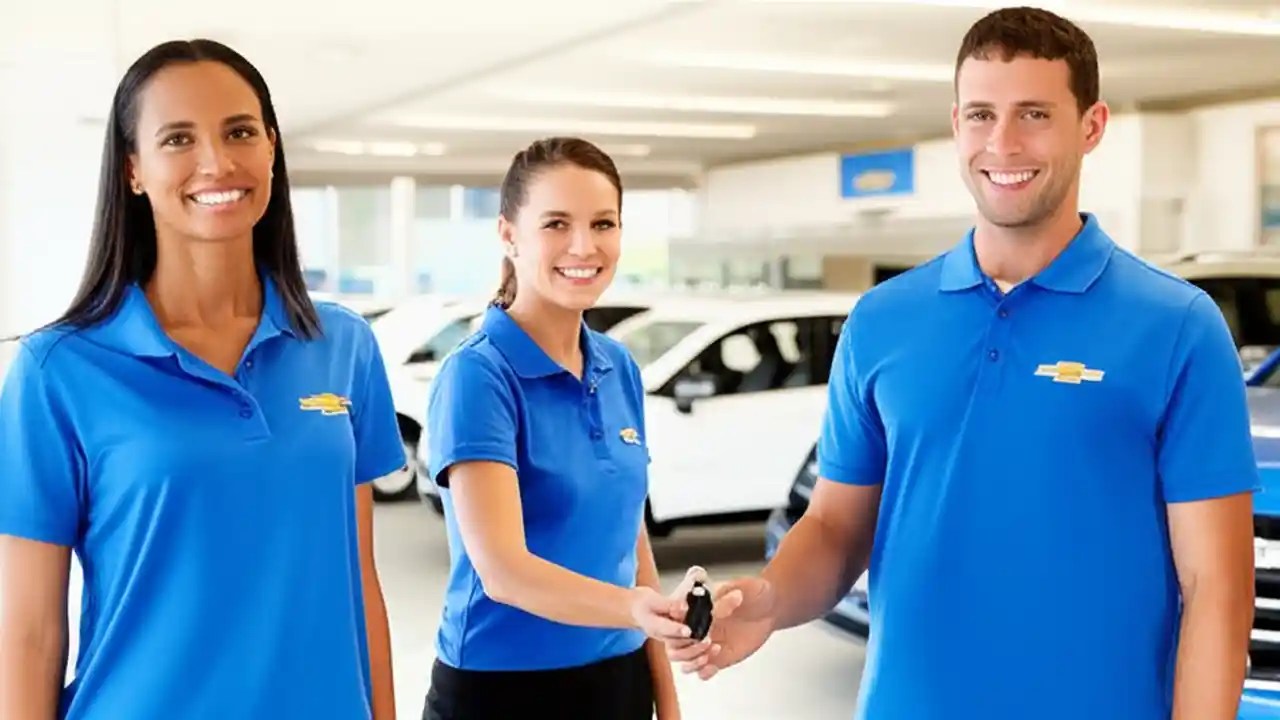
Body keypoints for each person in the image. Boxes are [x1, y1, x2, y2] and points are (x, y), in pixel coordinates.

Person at [668, 7, 1257, 720]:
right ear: (955, 126)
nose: (1002, 143)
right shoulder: (882, 320)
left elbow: (1217, 587)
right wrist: (769, 598)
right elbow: (834, 527)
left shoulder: (1177, 328)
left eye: (1034, 113)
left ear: (1091, 125)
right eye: (980, 115)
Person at [0, 39, 403, 720]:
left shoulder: (345, 348)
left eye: (240, 131)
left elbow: (358, 582)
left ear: (272, 147)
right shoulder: (58, 370)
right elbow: (31, 633)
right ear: (134, 170)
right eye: (178, 139)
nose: (217, 162)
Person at [421, 137, 721, 720]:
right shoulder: (478, 375)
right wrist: (635, 608)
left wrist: (667, 696)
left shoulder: (618, 366)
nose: (584, 247)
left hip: (618, 679)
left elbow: (629, 538)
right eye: (556, 223)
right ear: (509, 235)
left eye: (603, 224)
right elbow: (504, 571)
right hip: (502, 691)